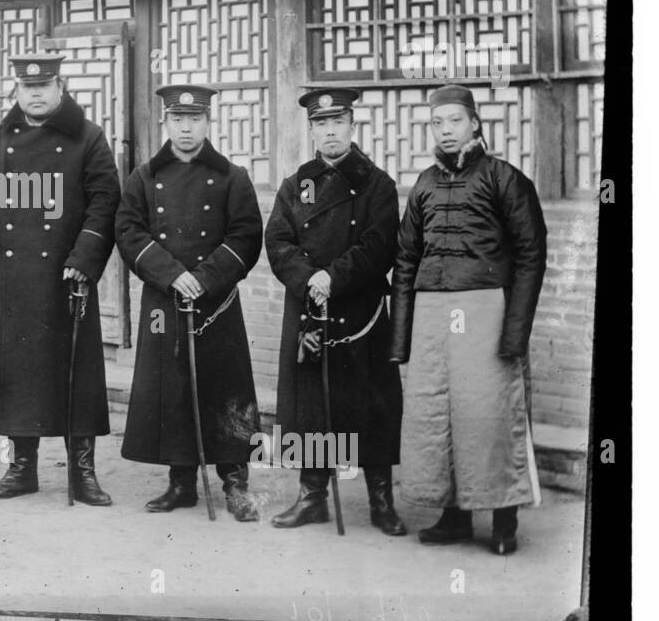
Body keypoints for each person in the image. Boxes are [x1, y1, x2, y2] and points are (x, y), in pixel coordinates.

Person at [391, 84, 547, 555]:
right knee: (437, 412)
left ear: (475, 123)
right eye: (438, 123)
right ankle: (453, 516)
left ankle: (504, 521)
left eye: (455, 120)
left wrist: (514, 333)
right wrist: (402, 340)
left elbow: (530, 256)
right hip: (432, 313)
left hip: (484, 310)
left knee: (489, 414)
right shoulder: (424, 183)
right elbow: (405, 259)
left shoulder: (505, 178)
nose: (446, 130)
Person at [0, 52, 121, 504]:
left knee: (78, 374)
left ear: (60, 89)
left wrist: (83, 259)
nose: (34, 93)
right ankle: (21, 469)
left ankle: (82, 473)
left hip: (66, 279)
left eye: (44, 86)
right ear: (17, 90)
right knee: (18, 375)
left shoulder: (88, 138)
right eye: (27, 87)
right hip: (14, 280)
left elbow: (105, 202)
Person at [115, 83, 263, 520]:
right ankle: (180, 483)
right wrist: (172, 275)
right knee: (171, 388)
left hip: (215, 302)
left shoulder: (232, 177)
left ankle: (236, 483)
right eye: (178, 119)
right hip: (165, 302)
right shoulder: (143, 177)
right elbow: (128, 231)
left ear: (207, 122)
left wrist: (203, 278)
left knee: (225, 388)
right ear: (166, 122)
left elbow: (246, 235)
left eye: (194, 119)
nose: (185, 128)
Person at [264, 88, 405, 534]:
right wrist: (309, 280)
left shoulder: (376, 183)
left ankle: (381, 501)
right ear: (311, 130)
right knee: (311, 409)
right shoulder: (296, 183)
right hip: (310, 312)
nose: (330, 131)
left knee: (372, 407)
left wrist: (333, 277)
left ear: (351, 126)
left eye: (337, 122)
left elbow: (380, 245)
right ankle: (312, 497)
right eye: (321, 124)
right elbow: (278, 241)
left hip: (359, 314)